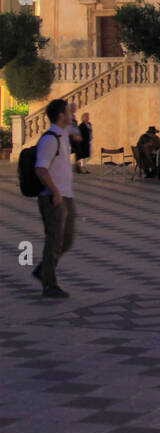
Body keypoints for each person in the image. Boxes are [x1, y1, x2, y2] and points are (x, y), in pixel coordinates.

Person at [32, 99, 76, 298]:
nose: (71, 114)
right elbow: (41, 168)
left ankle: (43, 270)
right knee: (54, 240)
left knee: (67, 239)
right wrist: (55, 191)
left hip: (67, 196)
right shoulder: (50, 139)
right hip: (54, 197)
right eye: (68, 111)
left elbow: (69, 125)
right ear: (60, 115)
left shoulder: (62, 133)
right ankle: (49, 284)